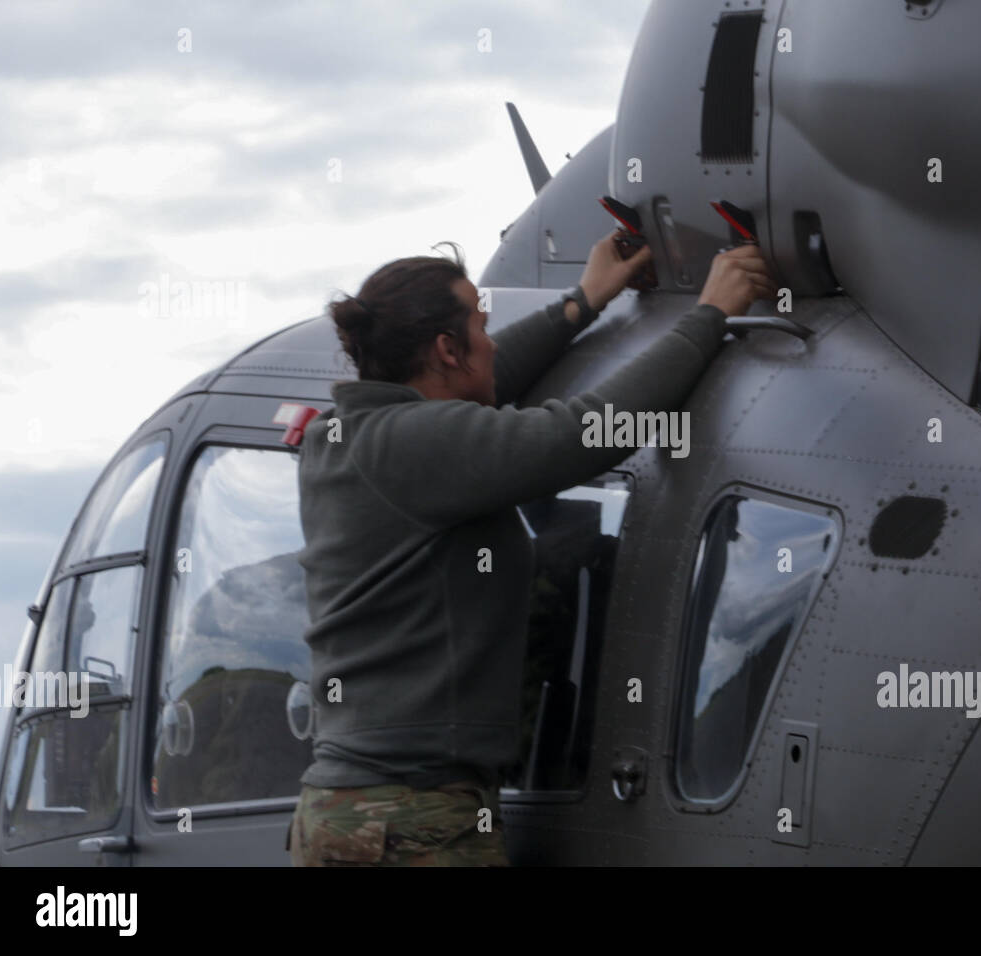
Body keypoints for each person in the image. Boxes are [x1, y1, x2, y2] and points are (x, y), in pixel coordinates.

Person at [288, 230, 775, 865]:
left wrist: (583, 302)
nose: (491, 340)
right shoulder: (414, 443)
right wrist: (708, 316)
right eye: (480, 326)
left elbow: (485, 381)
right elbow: (580, 435)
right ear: (446, 348)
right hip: (411, 819)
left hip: (350, 811)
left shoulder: (346, 436)